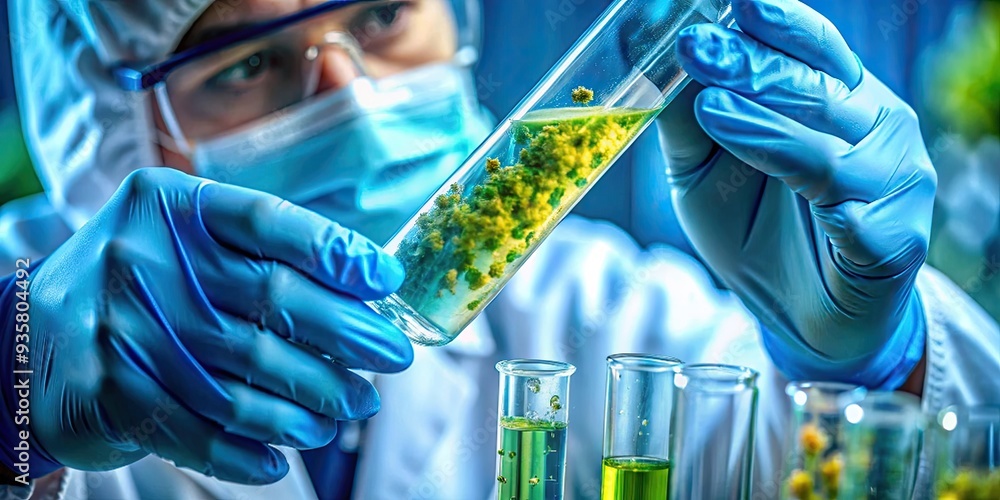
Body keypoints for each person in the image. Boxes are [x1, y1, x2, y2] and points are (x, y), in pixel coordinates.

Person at [0, 0, 996, 498]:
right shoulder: (33, 320)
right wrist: (12, 399)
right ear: (112, 125)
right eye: (252, 64)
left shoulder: (597, 313)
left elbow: (839, 468)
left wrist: (877, 364)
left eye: (386, 14)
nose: (351, 98)